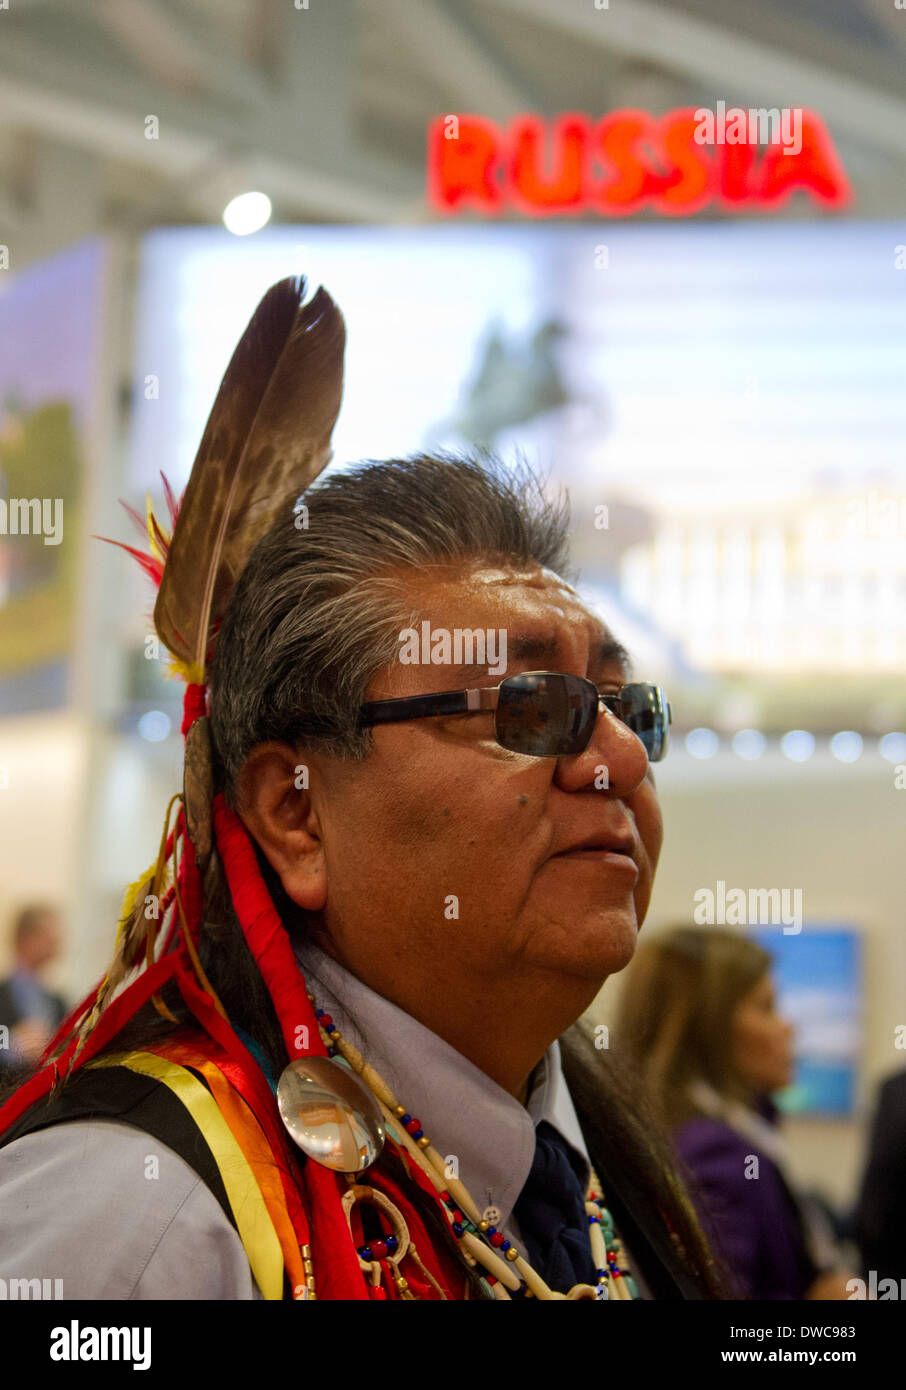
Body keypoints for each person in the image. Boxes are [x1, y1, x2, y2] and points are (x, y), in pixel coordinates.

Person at [0, 276, 723, 1302]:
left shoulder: (610, 1183)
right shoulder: (138, 1219)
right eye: (526, 705)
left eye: (623, 706)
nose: (621, 761)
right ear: (295, 811)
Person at [617, 926, 855, 1300]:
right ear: (711, 1025)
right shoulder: (716, 1153)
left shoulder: (678, 1127)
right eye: (766, 1007)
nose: (788, 1026)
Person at [0, 905, 65, 1079]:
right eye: (46, 933)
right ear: (24, 937)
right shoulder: (3, 992)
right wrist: (11, 1044)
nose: (56, 941)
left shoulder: (58, 1002)